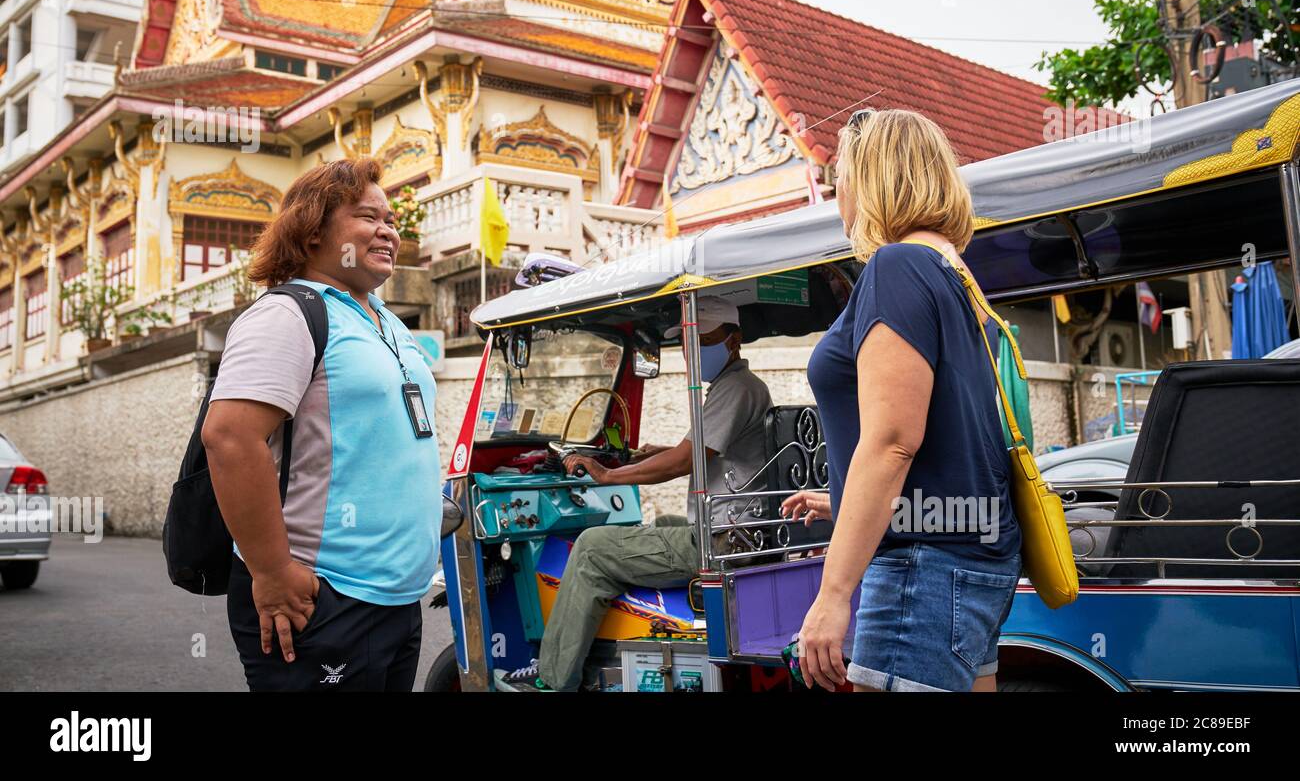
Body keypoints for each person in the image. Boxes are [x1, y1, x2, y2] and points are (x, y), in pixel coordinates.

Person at [790, 108, 1021, 693]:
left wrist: (833, 595)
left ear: (871, 179)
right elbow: (949, 438)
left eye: (840, 176)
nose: (837, 194)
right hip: (973, 560)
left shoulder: (896, 266)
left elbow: (893, 441)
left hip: (922, 570)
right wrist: (843, 498)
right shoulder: (954, 275)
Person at [203, 157, 443, 691]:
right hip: (322, 594)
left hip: (397, 598)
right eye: (367, 216)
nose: (388, 230)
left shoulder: (386, 321)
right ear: (312, 231)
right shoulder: (289, 314)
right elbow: (230, 437)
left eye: (391, 220)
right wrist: (271, 574)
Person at [503, 296, 773, 691]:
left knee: (593, 547)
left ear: (734, 340)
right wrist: (656, 452)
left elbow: (685, 461)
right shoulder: (738, 387)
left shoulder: (736, 388)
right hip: (734, 532)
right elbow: (704, 452)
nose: (692, 349)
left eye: (703, 338)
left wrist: (610, 476)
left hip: (723, 541)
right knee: (661, 524)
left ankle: (553, 676)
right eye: (688, 340)